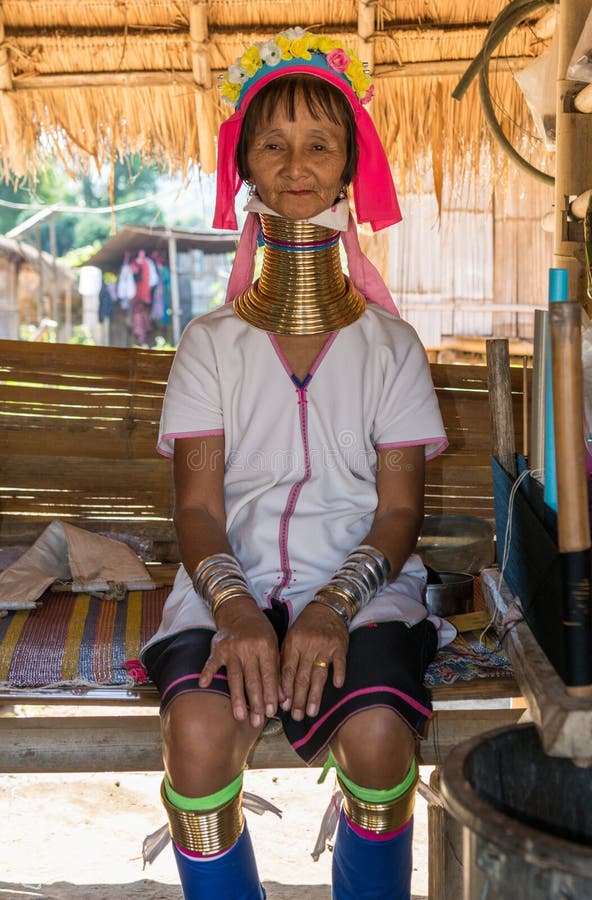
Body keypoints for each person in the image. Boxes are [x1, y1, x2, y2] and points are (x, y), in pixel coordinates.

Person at [141, 26, 454, 900]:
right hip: (221, 586)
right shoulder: (211, 344)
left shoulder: (390, 347)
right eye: (273, 143)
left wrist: (331, 605)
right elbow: (199, 512)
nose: (297, 161)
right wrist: (238, 614)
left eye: (320, 141)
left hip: (361, 590)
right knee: (199, 737)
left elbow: (398, 515)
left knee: (382, 735)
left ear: (351, 164)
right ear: (247, 165)